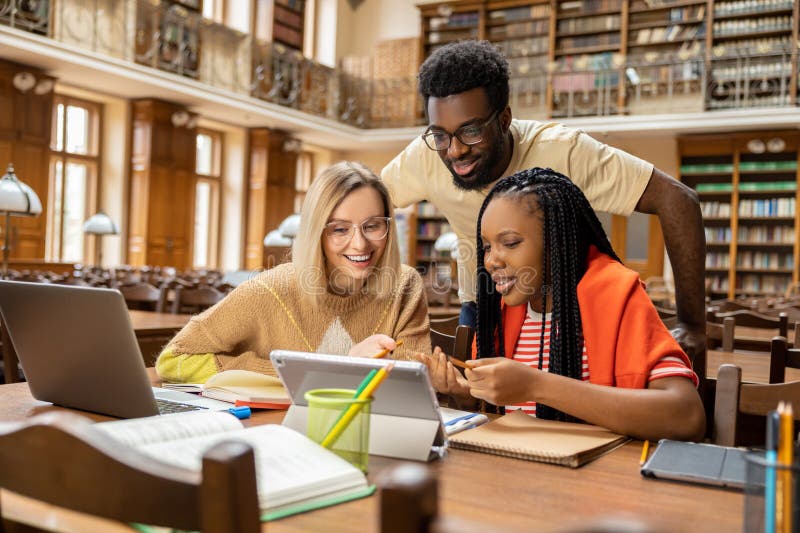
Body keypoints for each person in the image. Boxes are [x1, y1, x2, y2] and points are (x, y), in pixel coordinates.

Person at [381, 40, 705, 364]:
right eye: (440, 135)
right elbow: (361, 201)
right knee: (481, 404)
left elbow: (678, 200)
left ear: (504, 119)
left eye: (471, 132)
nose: (454, 151)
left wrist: (691, 324)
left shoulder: (562, 151)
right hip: (485, 305)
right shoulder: (424, 156)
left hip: (566, 307)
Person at [419, 168, 705, 442]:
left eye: (510, 242)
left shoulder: (617, 295)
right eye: (487, 247)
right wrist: (465, 391)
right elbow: (496, 412)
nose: (492, 260)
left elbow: (687, 416)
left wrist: (537, 385)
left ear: (555, 242)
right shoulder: (502, 309)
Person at [156, 161, 431, 383]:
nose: (359, 243)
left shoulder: (405, 285)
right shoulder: (268, 290)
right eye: (339, 229)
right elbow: (173, 359)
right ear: (316, 232)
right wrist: (289, 371)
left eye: (372, 226)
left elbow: (411, 382)